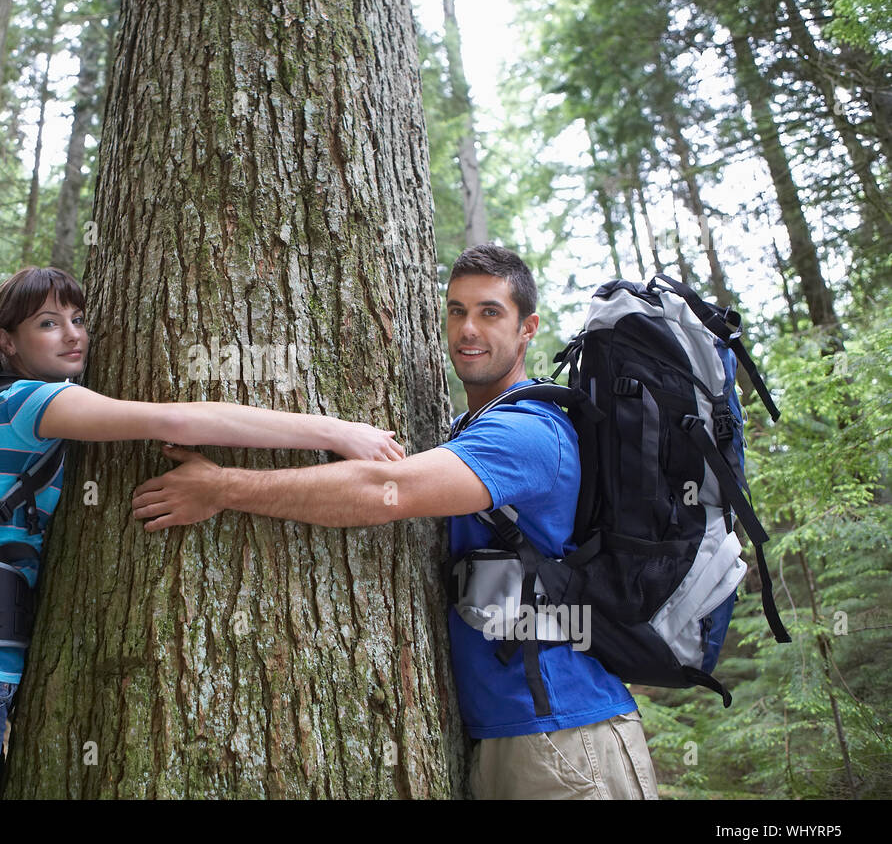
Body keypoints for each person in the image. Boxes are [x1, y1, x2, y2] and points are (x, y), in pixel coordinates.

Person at [132, 244, 659, 800]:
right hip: (511, 729)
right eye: (456, 310)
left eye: (489, 312)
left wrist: (223, 488)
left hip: (565, 732)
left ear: (527, 328)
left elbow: (385, 492)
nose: (468, 329)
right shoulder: (471, 427)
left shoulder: (528, 432)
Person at [0, 265, 405, 799]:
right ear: (8, 343)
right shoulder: (29, 402)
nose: (73, 334)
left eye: (78, 319)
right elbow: (178, 422)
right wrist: (335, 431)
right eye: (48, 323)